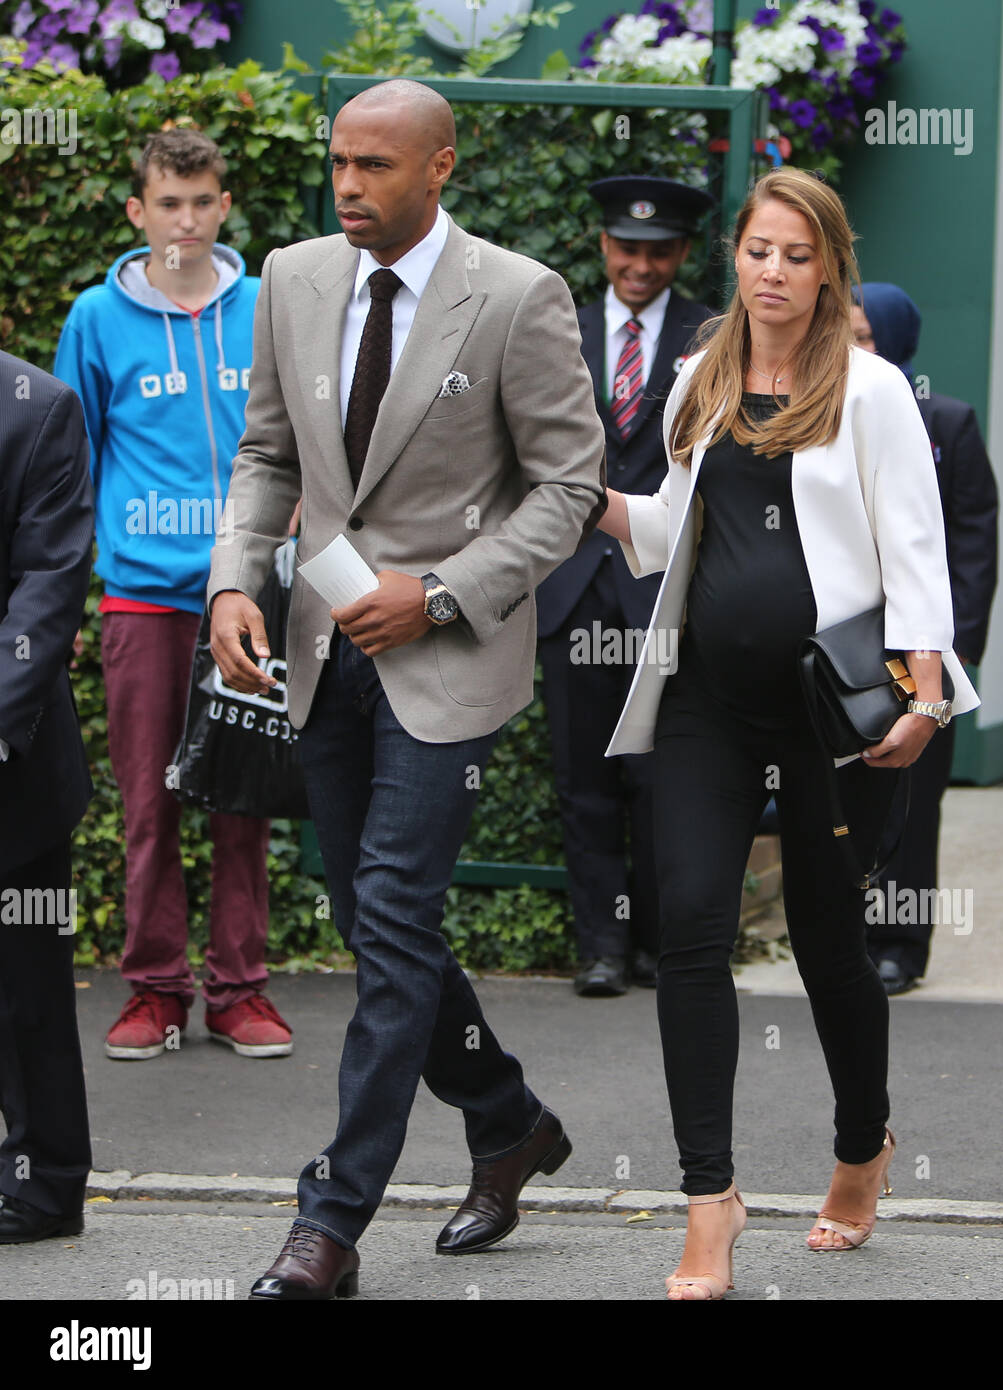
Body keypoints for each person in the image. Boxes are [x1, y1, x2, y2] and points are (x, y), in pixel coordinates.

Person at [208, 79, 606, 1300]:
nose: (348, 187)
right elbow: (270, 453)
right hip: (322, 655)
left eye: (375, 166)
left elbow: (569, 487)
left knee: (387, 914)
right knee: (381, 922)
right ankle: (506, 1115)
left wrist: (437, 593)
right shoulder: (292, 275)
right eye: (338, 163)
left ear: (441, 167)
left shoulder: (519, 294)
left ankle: (328, 1221)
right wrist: (233, 584)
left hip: (447, 664)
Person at [598, 169, 980, 1298]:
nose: (773, 272)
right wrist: (594, 502)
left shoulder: (870, 391)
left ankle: (861, 1149)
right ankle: (708, 1199)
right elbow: (670, 529)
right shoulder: (694, 384)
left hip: (831, 714)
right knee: (690, 935)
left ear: (828, 271)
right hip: (708, 705)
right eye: (758, 251)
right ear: (738, 259)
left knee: (827, 944)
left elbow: (914, 546)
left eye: (796, 256)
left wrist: (922, 695)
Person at [53, 130, 289, 1062]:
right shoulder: (94, 319)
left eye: (201, 202)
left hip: (252, 593)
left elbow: (300, 445)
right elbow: (67, 469)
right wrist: (64, 599)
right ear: (137, 212)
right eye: (168, 204)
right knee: (149, 803)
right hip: (143, 599)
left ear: (223, 206)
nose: (185, 221)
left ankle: (240, 991)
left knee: (246, 798)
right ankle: (154, 989)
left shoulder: (270, 307)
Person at [536, 175, 715, 997]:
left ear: (679, 254)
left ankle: (654, 945)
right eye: (625, 248)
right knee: (583, 781)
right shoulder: (557, 331)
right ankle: (600, 948)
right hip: (573, 587)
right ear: (603, 248)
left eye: (656, 251)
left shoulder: (709, 337)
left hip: (663, 593)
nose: (639, 264)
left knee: (656, 777)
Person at [852, 283, 998, 995]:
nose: (849, 349)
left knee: (913, 793)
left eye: (864, 336)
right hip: (838, 645)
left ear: (897, 344)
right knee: (844, 790)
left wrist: (956, 641)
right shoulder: (818, 420)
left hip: (920, 650)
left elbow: (973, 538)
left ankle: (899, 945)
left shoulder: (945, 422)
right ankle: (846, 933)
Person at [0, 351, 95, 1242]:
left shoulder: (39, 409)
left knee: (23, 993)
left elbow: (49, 587)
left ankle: (44, 1183)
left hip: (11, 760)